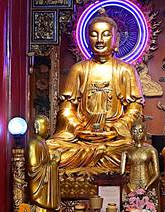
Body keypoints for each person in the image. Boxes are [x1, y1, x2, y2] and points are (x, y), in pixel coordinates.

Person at [48, 14, 144, 171]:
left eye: (106, 34)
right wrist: (79, 128)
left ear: (116, 40)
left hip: (115, 140)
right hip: (82, 138)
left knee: (136, 152)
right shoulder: (78, 69)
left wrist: (115, 129)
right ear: (87, 39)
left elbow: (135, 110)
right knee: (50, 150)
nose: (100, 40)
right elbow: (66, 110)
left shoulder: (126, 70)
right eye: (94, 34)